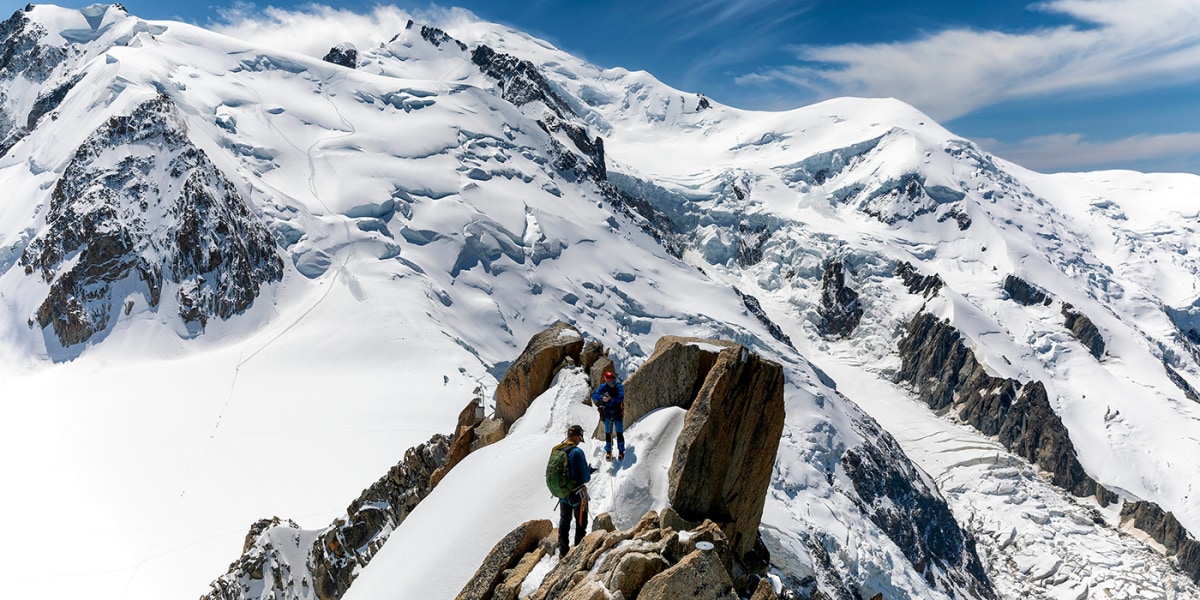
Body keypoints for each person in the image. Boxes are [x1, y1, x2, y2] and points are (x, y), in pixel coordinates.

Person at [557, 424, 593, 557]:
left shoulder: (559, 450)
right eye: (580, 438)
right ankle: (577, 552)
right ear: (578, 436)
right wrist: (588, 471)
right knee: (581, 523)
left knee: (564, 521)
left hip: (563, 493)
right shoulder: (577, 452)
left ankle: (563, 552)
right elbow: (585, 477)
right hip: (577, 494)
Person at [591, 370, 625, 461]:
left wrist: (611, 399)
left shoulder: (619, 387)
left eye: (614, 381)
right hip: (607, 413)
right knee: (608, 433)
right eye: (611, 382)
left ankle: (621, 450)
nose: (613, 384)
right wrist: (602, 398)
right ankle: (608, 451)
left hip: (617, 412)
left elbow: (621, 397)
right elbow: (594, 395)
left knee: (619, 432)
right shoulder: (603, 387)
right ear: (607, 381)